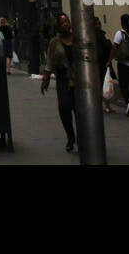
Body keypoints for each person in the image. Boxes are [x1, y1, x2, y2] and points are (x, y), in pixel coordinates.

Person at [39, 13, 78, 152]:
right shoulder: (54, 42)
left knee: (80, 110)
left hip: (79, 80)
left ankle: (83, 137)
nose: (66, 24)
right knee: (64, 108)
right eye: (63, 23)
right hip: (63, 79)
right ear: (58, 26)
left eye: (68, 21)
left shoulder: (78, 38)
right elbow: (49, 62)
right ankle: (70, 136)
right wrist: (46, 79)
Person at [93, 17, 114, 113]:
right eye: (97, 23)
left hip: (100, 63)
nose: (99, 25)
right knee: (104, 83)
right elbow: (104, 49)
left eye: (99, 23)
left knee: (102, 84)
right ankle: (106, 105)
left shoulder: (94, 35)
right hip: (103, 63)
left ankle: (103, 104)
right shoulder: (99, 35)